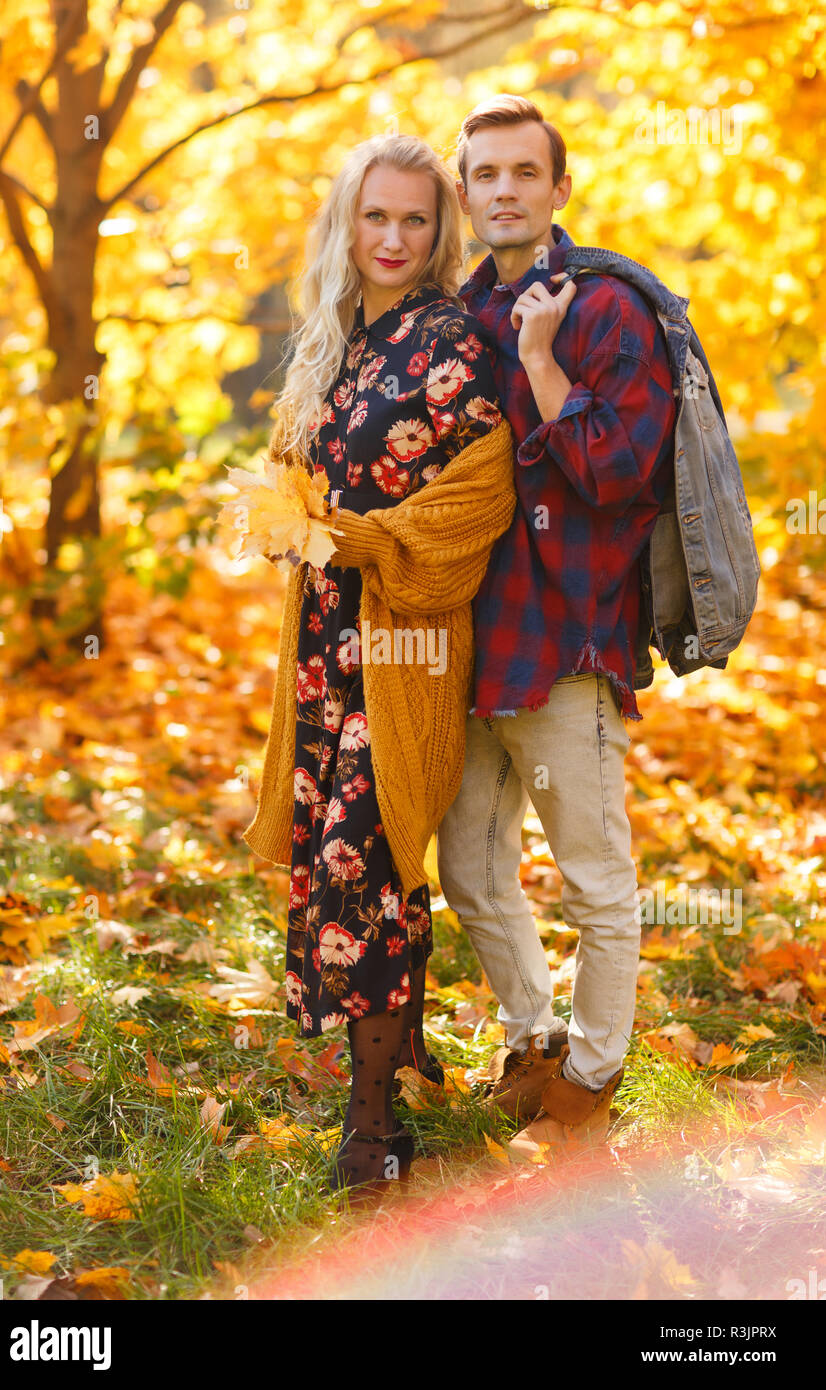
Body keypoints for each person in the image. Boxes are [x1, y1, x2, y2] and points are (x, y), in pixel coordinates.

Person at [242, 133, 516, 1194]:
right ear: (346, 226)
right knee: (340, 849)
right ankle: (395, 1043)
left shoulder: (452, 342)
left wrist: (358, 540)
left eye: (413, 219)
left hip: (402, 643)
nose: (393, 238)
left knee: (370, 848)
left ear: (437, 229)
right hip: (324, 642)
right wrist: (283, 511)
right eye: (375, 217)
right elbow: (307, 471)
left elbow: (474, 506)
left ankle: (375, 1125)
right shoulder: (338, 339)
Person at [437, 95, 677, 1152]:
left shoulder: (606, 311)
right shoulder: (456, 311)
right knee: (470, 868)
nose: (502, 191)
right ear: (464, 192)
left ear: (556, 189)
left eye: (521, 173)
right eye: (483, 175)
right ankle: (530, 1043)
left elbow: (617, 474)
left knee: (592, 879)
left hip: (568, 644)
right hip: (469, 644)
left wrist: (541, 364)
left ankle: (588, 1080)